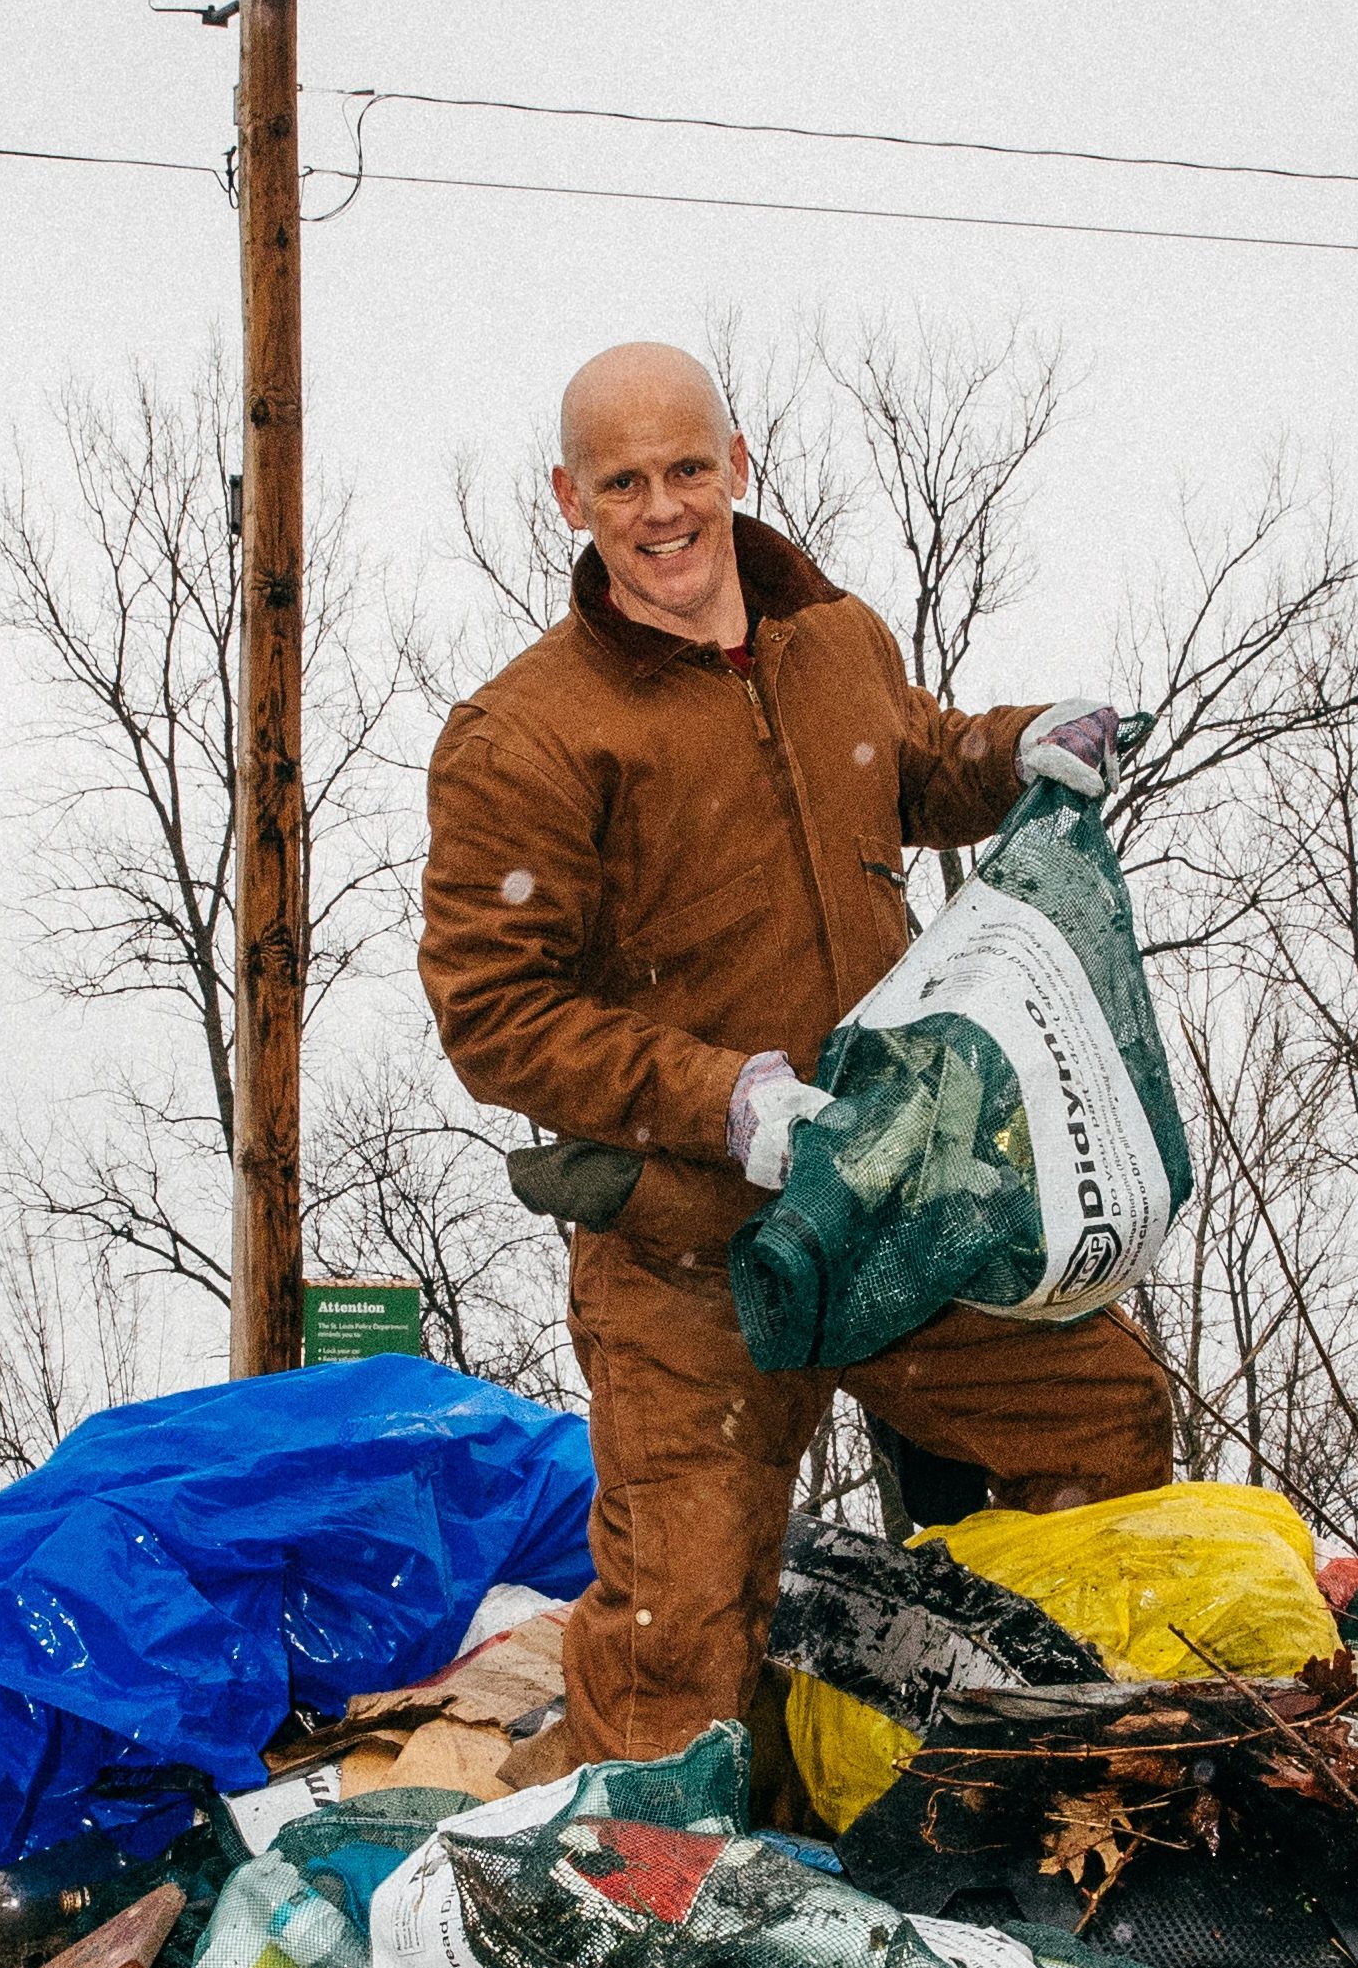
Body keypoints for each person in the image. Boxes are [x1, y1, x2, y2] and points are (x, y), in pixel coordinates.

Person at [419, 339, 1173, 1765]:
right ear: (568, 499)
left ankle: (1059, 1787)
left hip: (886, 1207)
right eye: (622, 483)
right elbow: (494, 1012)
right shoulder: (528, 734)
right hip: (689, 1250)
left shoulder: (834, 642)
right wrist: (726, 1100)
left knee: (1100, 1420)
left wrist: (1018, 748)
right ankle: (643, 1864)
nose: (662, 510)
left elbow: (910, 763)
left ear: (738, 466)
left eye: (687, 469)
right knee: (680, 1640)